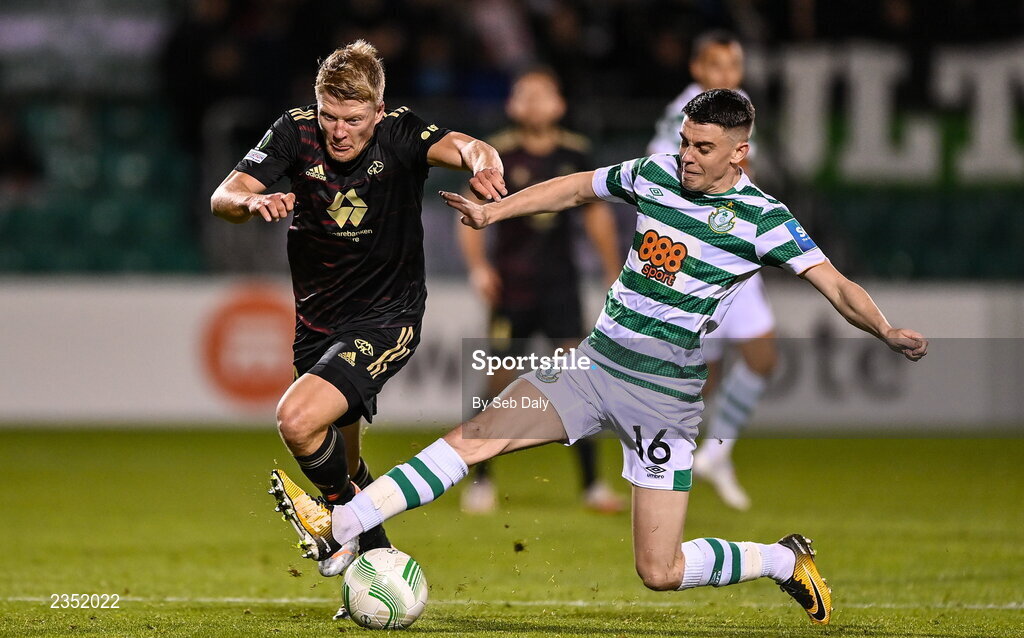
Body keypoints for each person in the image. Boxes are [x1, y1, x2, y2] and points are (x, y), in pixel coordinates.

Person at [269, 89, 929, 626]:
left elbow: (836, 284)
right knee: (472, 440)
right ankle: (343, 523)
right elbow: (575, 188)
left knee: (659, 571)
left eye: (704, 148)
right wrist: (497, 216)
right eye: (685, 142)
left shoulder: (762, 219)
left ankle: (783, 562)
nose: (689, 157)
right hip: (591, 367)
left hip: (665, 397)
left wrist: (886, 329)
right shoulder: (655, 175)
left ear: (739, 153)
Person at [210, 40, 507, 582]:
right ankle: (370, 548)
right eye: (329, 115)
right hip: (316, 322)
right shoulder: (294, 132)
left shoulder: (401, 131)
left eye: (352, 118)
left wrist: (485, 163)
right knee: (339, 459)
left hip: (387, 315)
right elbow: (223, 196)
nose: (338, 130)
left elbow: (471, 147)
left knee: (297, 421)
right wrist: (251, 203)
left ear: (378, 108)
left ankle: (339, 522)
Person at [457, 68, 625, 514]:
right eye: (524, 95)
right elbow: (471, 214)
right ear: (513, 105)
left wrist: (613, 270)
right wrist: (478, 267)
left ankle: (592, 485)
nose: (533, 103)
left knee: (578, 380)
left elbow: (596, 217)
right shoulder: (497, 154)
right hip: (511, 288)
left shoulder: (576, 151)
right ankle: (480, 480)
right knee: (496, 381)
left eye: (542, 94)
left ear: (559, 104)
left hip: (560, 286)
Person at [649, 30, 772, 510]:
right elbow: (668, 171)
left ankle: (711, 453)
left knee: (727, 365)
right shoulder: (691, 115)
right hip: (706, 253)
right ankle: (684, 455)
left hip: (731, 245)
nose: (727, 75)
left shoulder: (734, 109)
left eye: (734, 66)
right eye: (717, 66)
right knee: (737, 362)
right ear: (697, 68)